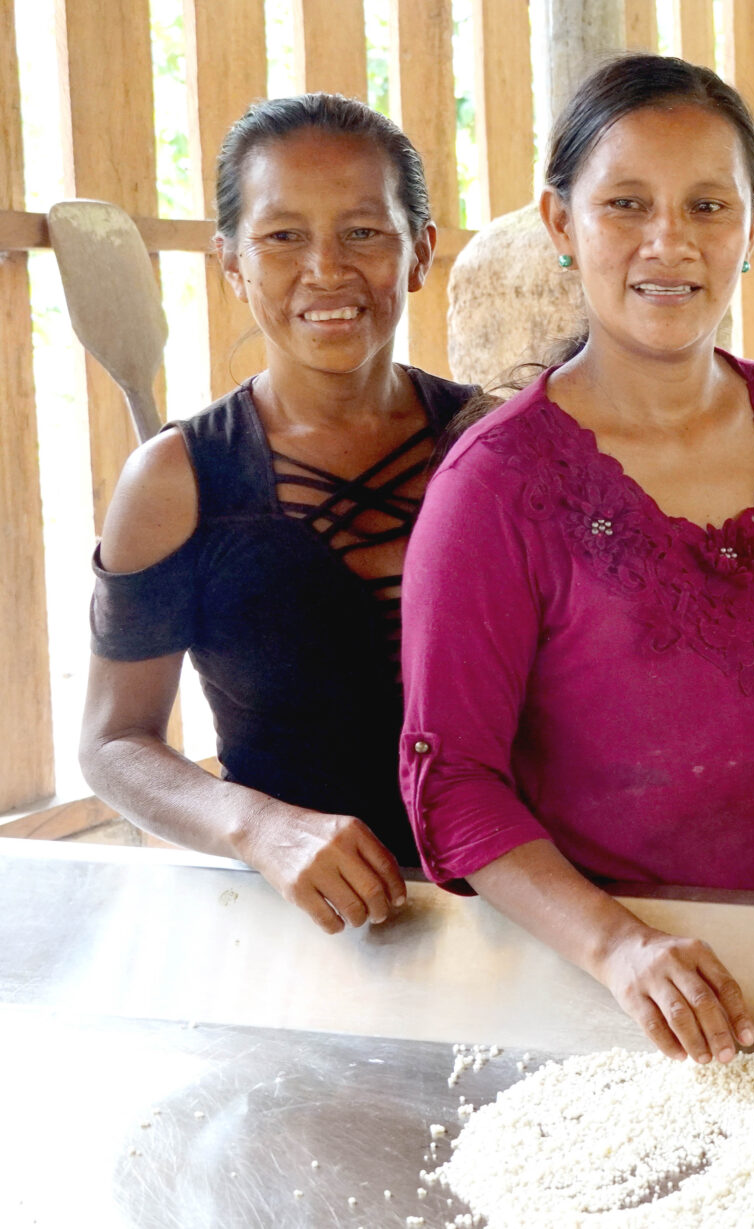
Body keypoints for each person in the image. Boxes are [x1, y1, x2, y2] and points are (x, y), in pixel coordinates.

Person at [400, 54, 754, 1065]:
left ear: (752, 221)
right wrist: (621, 949)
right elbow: (453, 783)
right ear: (560, 224)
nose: (667, 243)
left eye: (706, 206)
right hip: (606, 1003)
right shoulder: (498, 485)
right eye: (624, 204)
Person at [82, 94, 477, 933]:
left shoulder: (493, 445)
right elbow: (114, 742)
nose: (326, 269)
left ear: (419, 252)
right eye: (283, 235)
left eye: (364, 231)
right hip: (305, 926)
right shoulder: (177, 480)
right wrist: (258, 825)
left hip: (522, 909)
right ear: (231, 263)